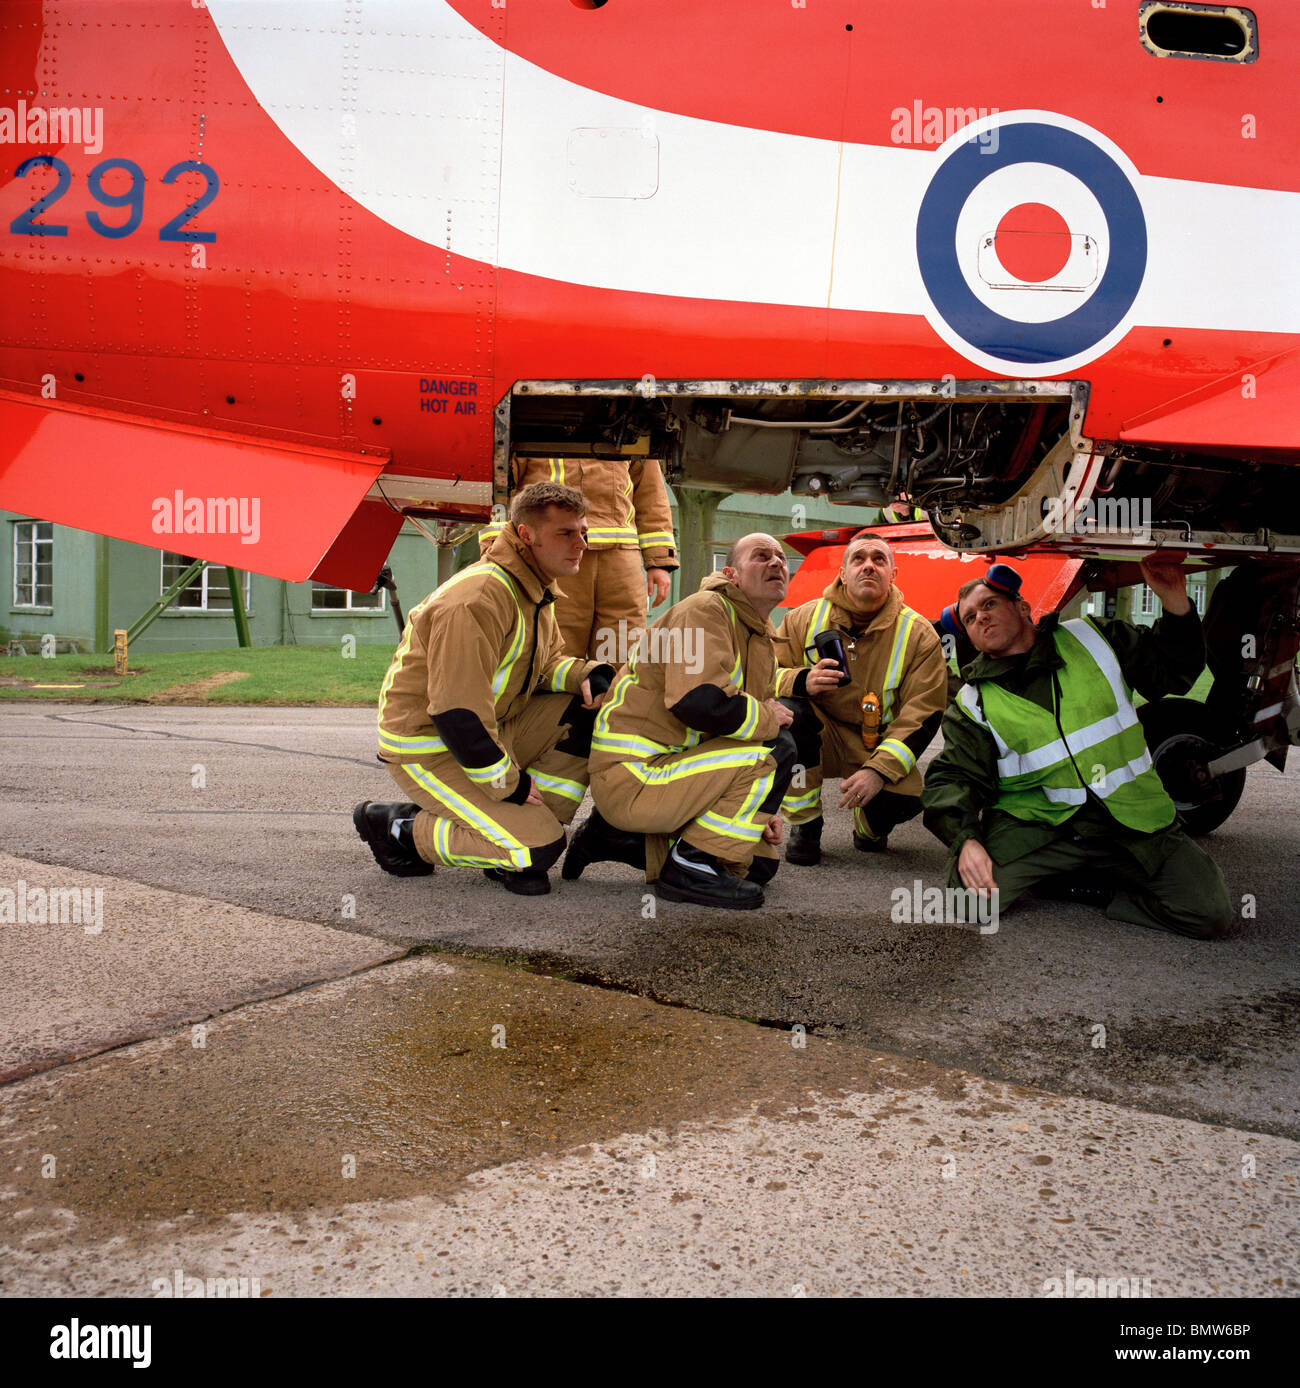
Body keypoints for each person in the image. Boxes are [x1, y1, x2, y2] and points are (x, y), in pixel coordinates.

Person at [921, 556, 1235, 938]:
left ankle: (1099, 891)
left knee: (1211, 914)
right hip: (1041, 828)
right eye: (969, 618)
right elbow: (953, 777)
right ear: (969, 637)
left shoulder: (1095, 638)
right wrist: (965, 838)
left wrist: (1174, 600)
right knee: (969, 902)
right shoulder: (973, 703)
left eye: (989, 605)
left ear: (1023, 608)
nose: (980, 618)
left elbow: (1174, 669)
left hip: (1129, 819)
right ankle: (1061, 874)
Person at [354, 482, 615, 896]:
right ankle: (397, 827)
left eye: (584, 531)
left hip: (493, 727)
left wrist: (585, 674)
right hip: (431, 746)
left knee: (590, 708)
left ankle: (515, 828)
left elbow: (540, 665)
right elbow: (455, 714)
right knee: (537, 852)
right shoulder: (477, 598)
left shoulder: (532, 585)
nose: (581, 543)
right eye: (566, 533)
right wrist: (508, 786)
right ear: (526, 535)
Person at [564, 533, 798, 909]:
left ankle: (613, 836)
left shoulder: (759, 638)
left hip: (671, 771)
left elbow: (731, 728)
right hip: (635, 775)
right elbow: (698, 703)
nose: (776, 563)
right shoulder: (705, 609)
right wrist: (767, 723)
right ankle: (689, 866)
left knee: (757, 866)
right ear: (731, 575)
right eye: (761, 556)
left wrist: (760, 804)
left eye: (781, 558)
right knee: (776, 748)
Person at [774, 531, 948, 864]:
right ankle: (806, 824)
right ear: (842, 573)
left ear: (893, 575)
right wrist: (801, 680)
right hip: (821, 732)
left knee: (906, 801)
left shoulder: (919, 633)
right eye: (859, 558)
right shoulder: (803, 619)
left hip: (878, 740)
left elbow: (923, 714)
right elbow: (763, 674)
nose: (868, 566)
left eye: (879, 559)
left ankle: (867, 827)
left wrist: (879, 771)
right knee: (787, 714)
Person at [478, 455, 678, 660]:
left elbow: (650, 492)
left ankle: (612, 692)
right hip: (555, 554)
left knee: (623, 650)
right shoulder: (529, 423)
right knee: (555, 650)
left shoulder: (635, 426)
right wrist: (497, 548)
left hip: (618, 560)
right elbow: (498, 487)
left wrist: (660, 561)